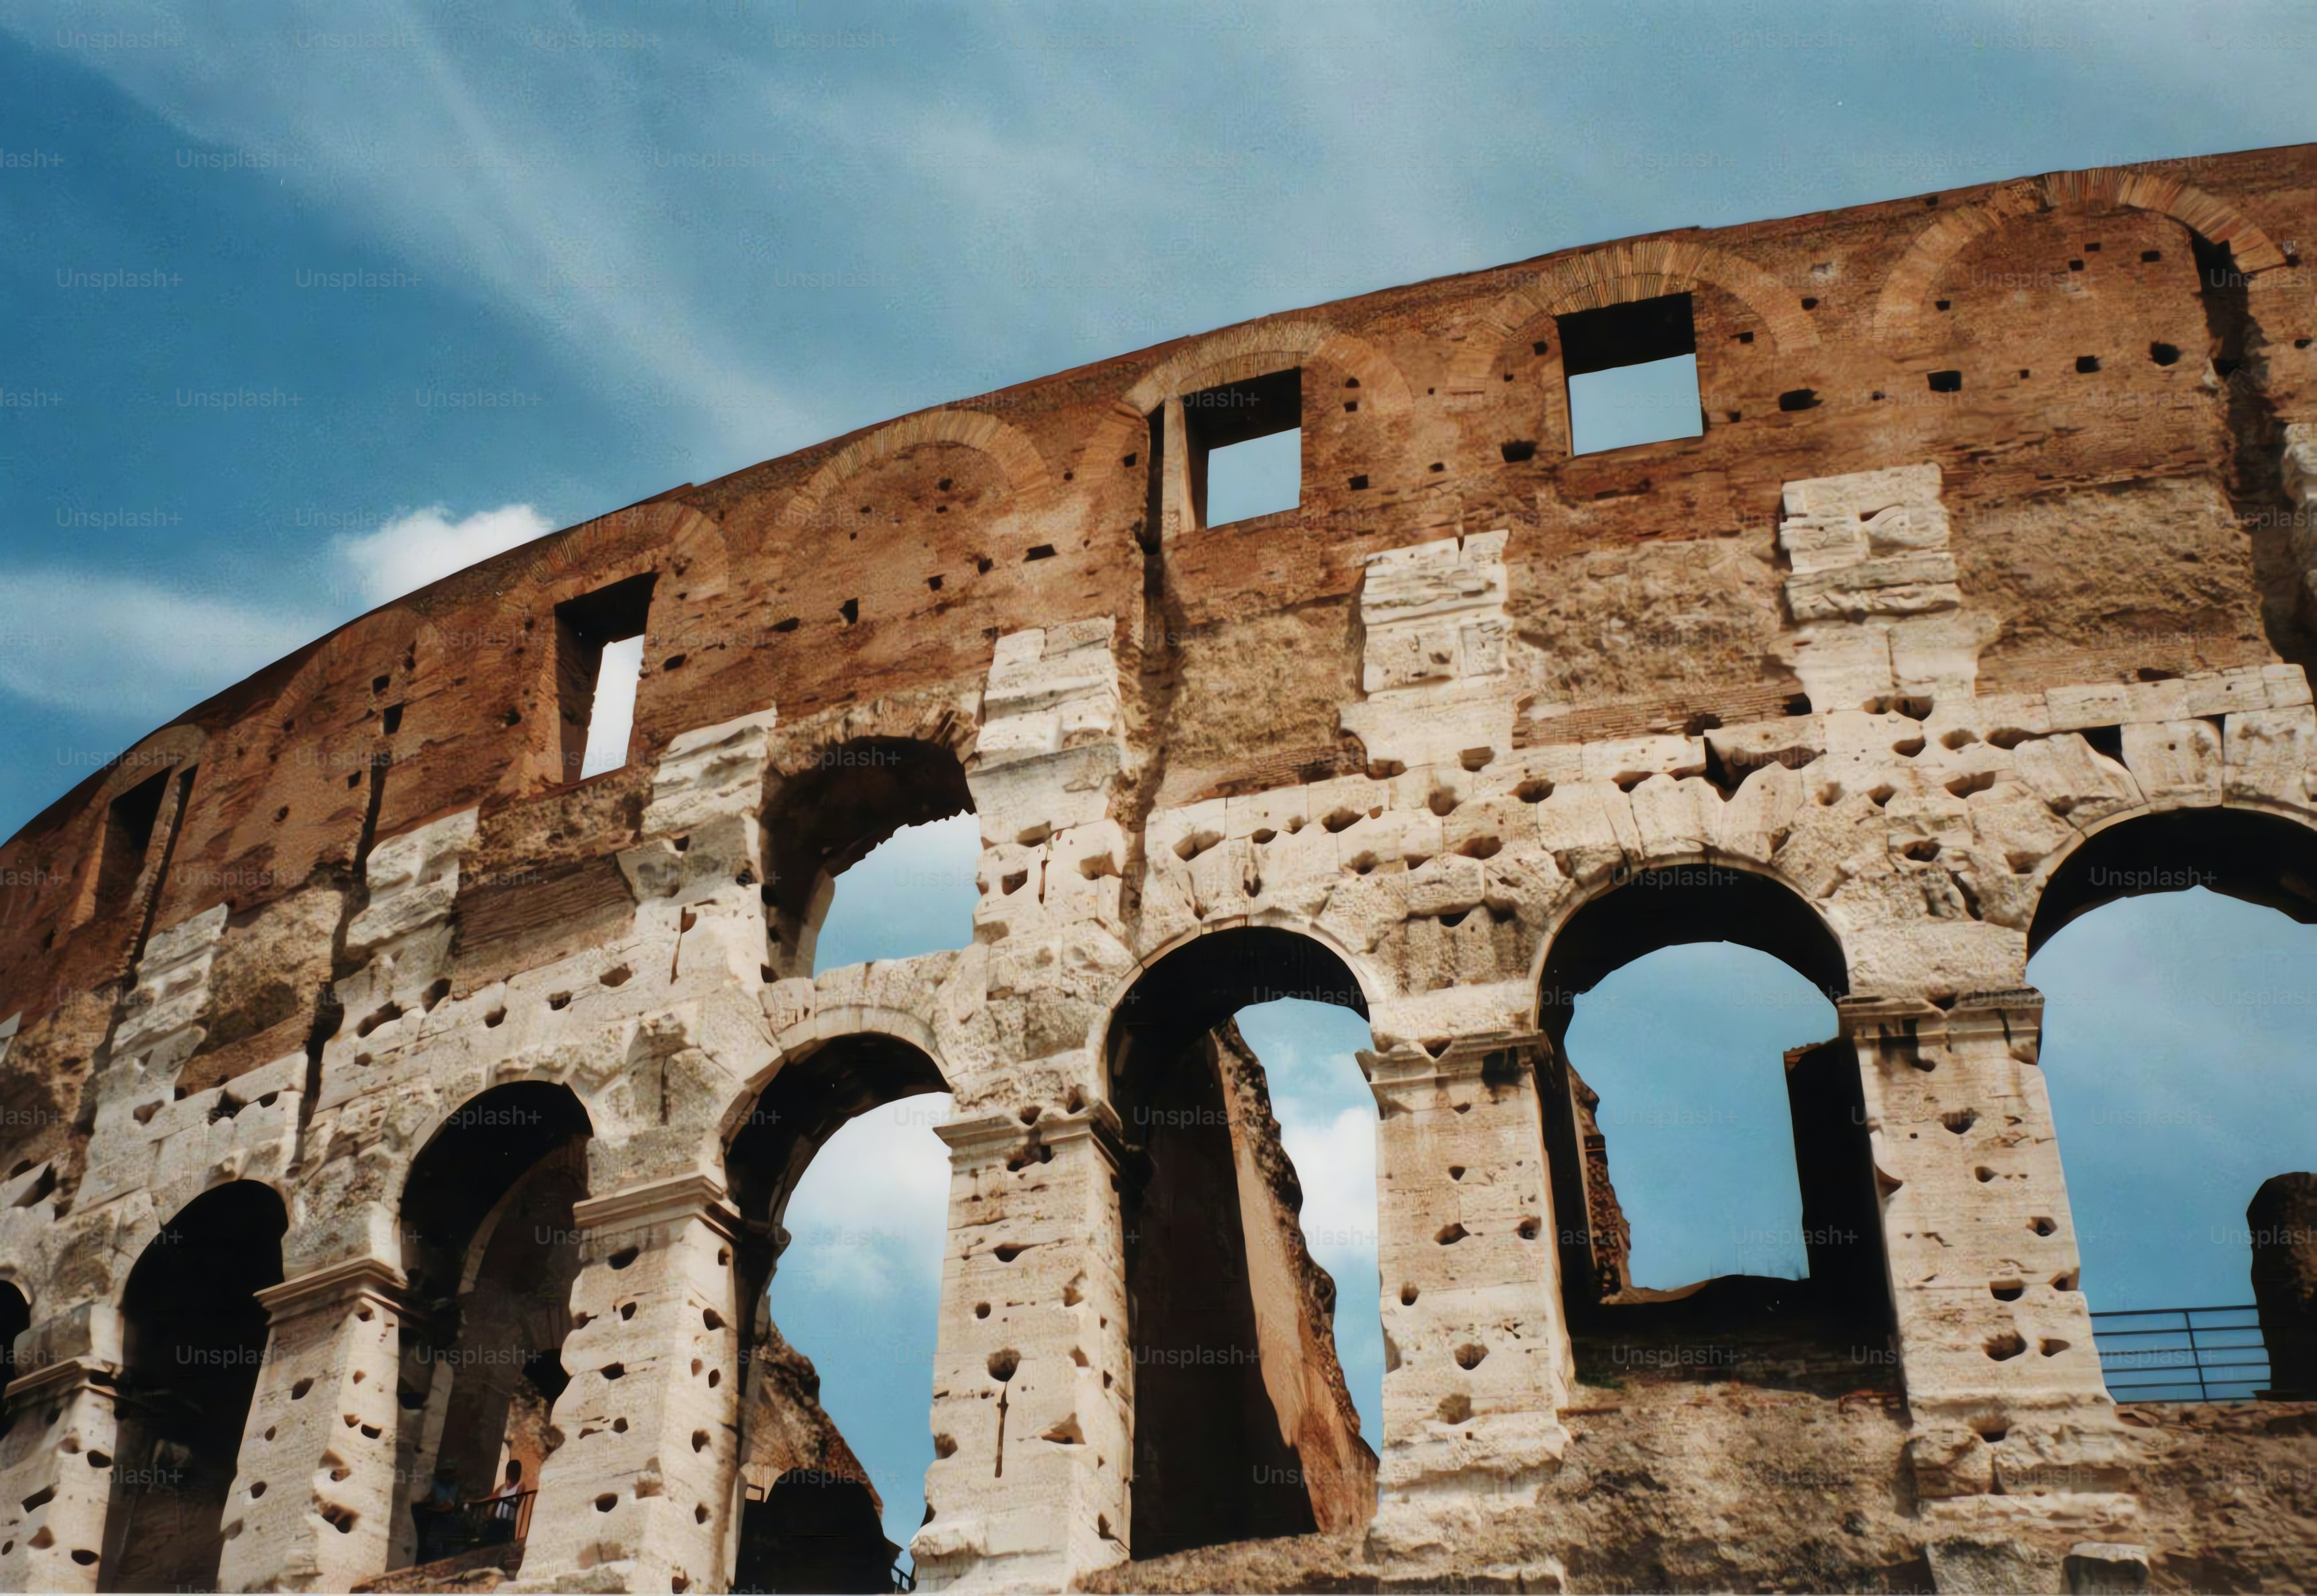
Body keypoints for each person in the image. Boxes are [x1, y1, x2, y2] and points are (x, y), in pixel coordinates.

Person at [413, 1467, 463, 1563]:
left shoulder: (453, 1486)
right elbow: (432, 1499)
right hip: (435, 1516)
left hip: (444, 1519)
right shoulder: (437, 1482)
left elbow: (447, 1506)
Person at [480, 1459, 525, 1546]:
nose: (511, 1474)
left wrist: (502, 1499)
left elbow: (517, 1501)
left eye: (514, 1471)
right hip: (496, 1520)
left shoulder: (520, 1487)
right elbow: (491, 1498)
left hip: (506, 1522)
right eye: (510, 1471)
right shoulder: (503, 1487)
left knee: (493, 1535)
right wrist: (476, 1502)